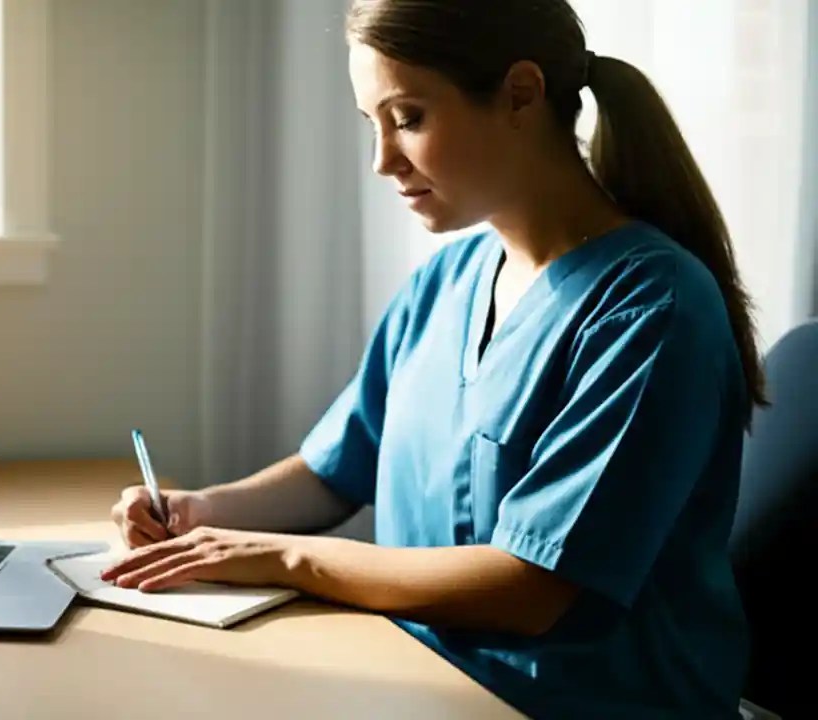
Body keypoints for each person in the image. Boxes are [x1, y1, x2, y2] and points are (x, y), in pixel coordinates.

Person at [103, 0, 763, 717]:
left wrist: (279, 558)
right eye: (373, 126)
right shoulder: (445, 283)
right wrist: (201, 513)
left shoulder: (652, 310)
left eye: (409, 119)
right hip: (422, 683)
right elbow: (332, 474)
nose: (383, 161)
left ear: (520, 94)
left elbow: (534, 588)